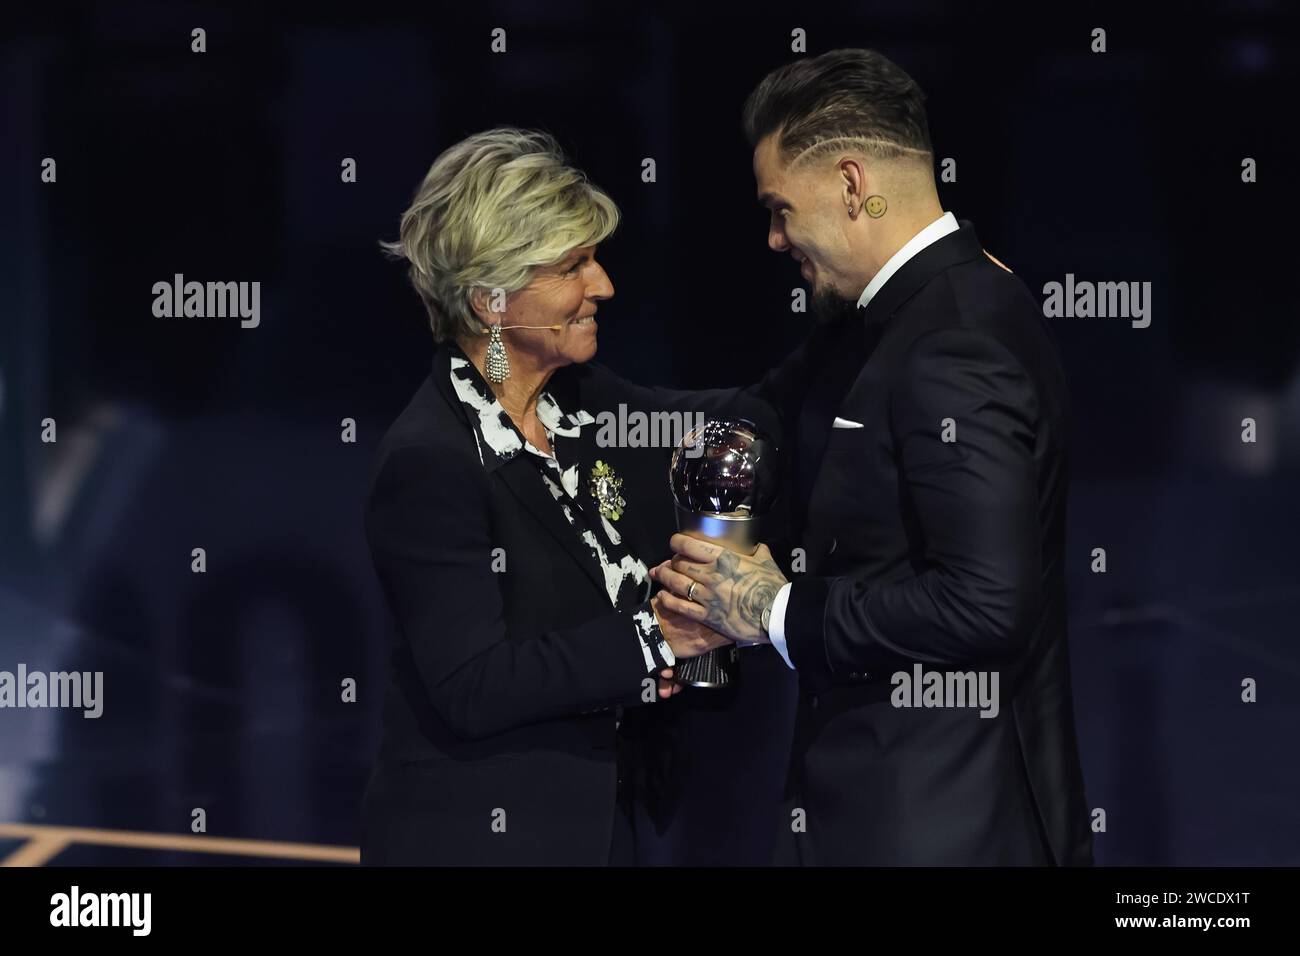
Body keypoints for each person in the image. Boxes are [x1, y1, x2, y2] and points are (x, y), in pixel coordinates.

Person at [651, 48, 1094, 865]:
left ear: (854, 185)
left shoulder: (952, 341)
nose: (775, 237)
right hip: (884, 811)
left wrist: (774, 611)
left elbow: (989, 602)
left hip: (940, 829)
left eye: (781, 208)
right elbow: (764, 406)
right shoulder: (892, 313)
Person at [361, 128, 733, 865]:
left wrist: (888, 316)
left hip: (601, 832)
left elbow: (734, 412)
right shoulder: (429, 461)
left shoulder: (586, 404)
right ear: (491, 302)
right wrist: (660, 638)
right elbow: (473, 684)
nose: (604, 286)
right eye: (575, 266)